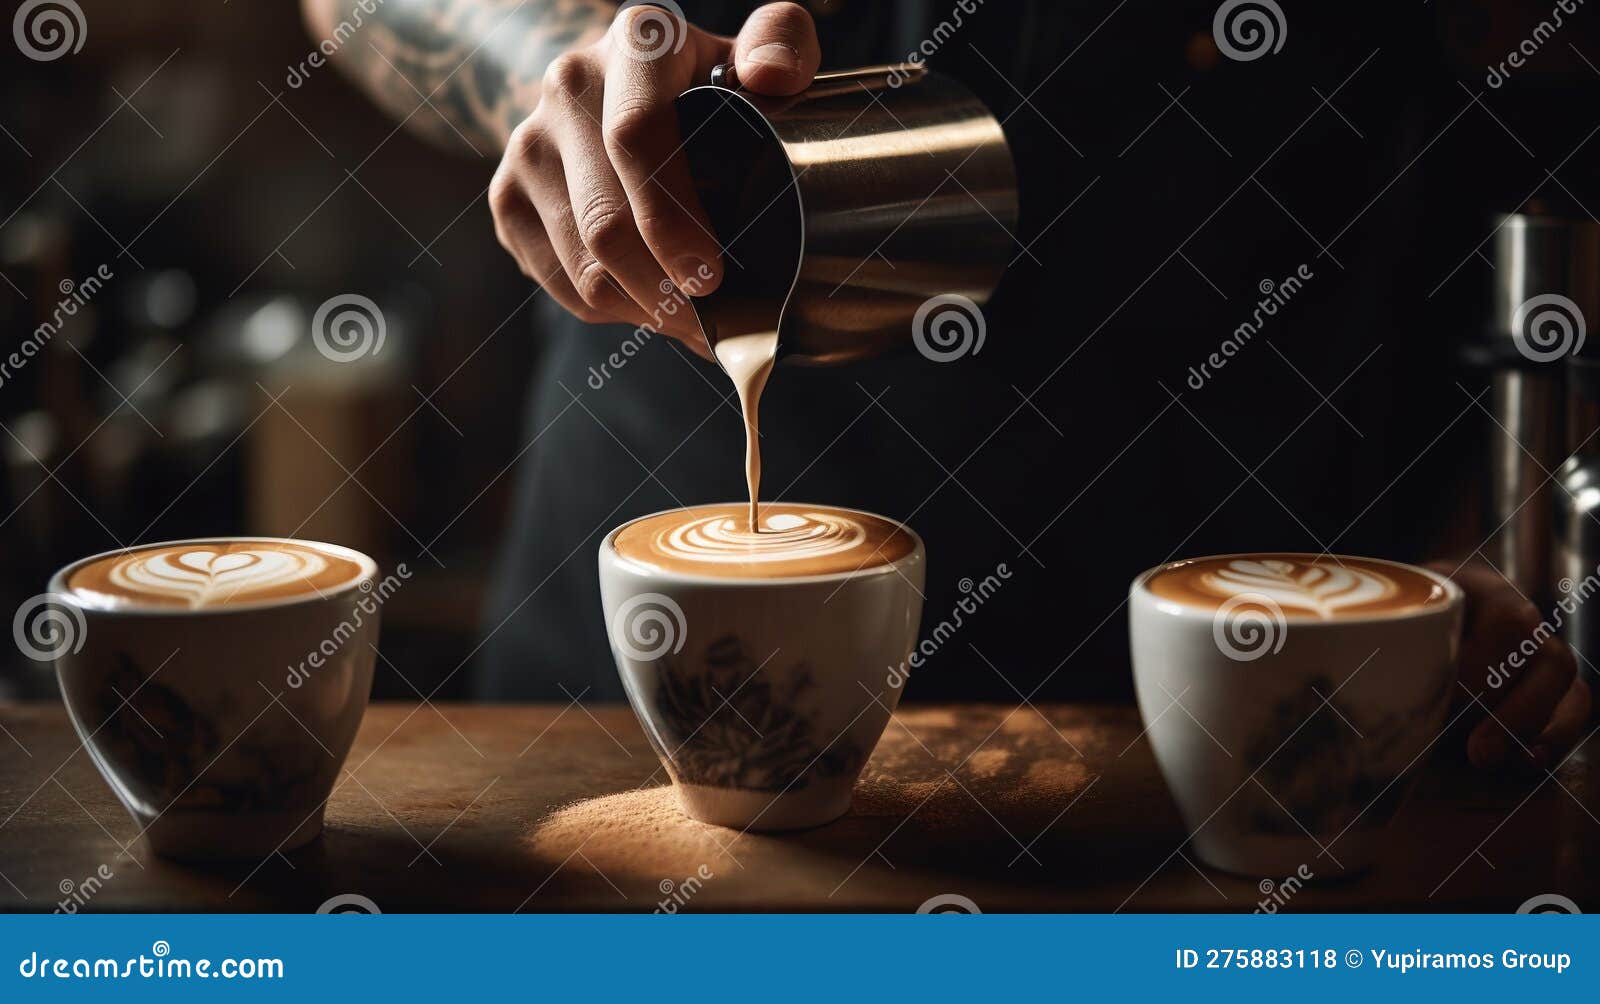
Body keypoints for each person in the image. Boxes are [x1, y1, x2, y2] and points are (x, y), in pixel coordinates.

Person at [301, 0, 1591, 769]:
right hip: (614, 696)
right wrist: (552, 64)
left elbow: (1534, 127)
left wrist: (1499, 537)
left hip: (1236, 719)